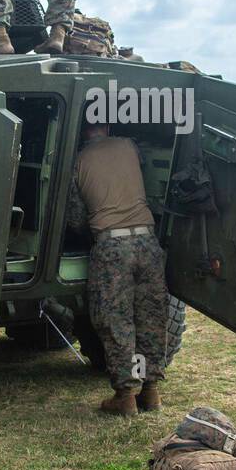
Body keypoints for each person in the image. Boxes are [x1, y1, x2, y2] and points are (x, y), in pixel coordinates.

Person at [66, 121, 169, 416]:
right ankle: (150, 391)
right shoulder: (131, 147)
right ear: (107, 127)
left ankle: (125, 395)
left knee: (116, 319)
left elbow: (75, 216)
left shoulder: (78, 161)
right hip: (148, 242)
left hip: (112, 247)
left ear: (82, 131)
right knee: (150, 316)